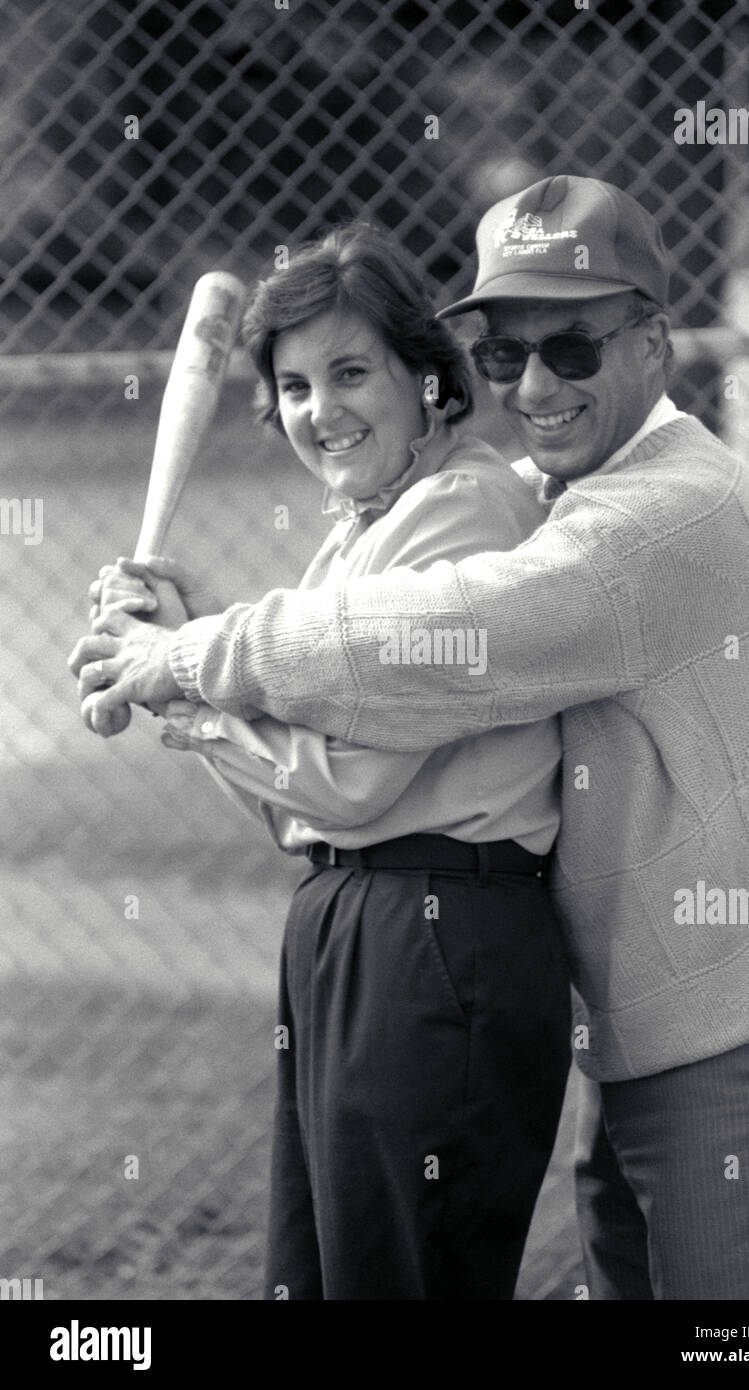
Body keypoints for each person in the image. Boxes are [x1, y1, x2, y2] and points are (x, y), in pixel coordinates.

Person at [70, 176, 749, 1301]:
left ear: (650, 342)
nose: (533, 383)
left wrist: (184, 658)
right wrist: (190, 639)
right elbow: (374, 627)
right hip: (642, 1037)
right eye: (503, 354)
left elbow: (438, 634)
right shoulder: (556, 494)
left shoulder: (656, 518)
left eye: (572, 348)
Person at [75, 223, 572, 1301]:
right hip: (355, 925)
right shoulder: (360, 529)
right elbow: (293, 806)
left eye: (349, 371)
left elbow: (350, 779)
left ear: (424, 377)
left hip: (442, 935)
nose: (319, 409)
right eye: (294, 385)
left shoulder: (465, 511)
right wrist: (180, 648)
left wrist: (180, 673)